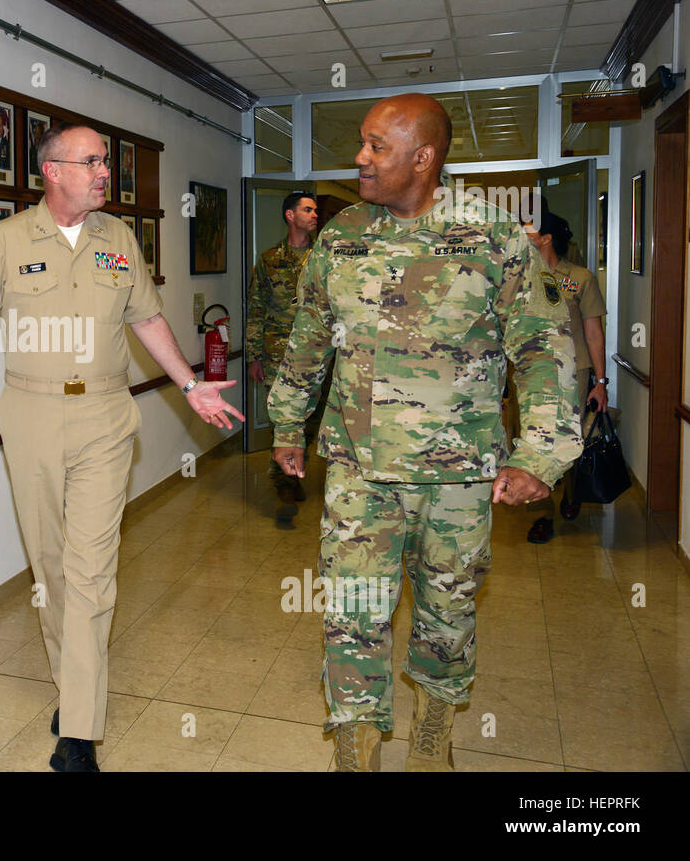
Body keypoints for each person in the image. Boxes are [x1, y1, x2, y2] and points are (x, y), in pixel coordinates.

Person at [0, 123, 243, 772]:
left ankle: (79, 733)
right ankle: (73, 683)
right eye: (91, 163)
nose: (104, 173)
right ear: (53, 171)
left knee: (90, 573)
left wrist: (191, 384)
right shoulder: (5, 241)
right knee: (50, 567)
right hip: (29, 413)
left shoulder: (119, 240)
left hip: (106, 415)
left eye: (104, 162)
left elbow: (147, 319)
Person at [268, 93, 581, 773]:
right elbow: (309, 335)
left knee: (448, 610)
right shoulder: (342, 235)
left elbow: (542, 348)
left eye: (377, 146)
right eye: (362, 142)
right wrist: (288, 421)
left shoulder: (495, 237)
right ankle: (356, 747)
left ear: (423, 157)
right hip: (358, 466)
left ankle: (433, 735)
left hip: (459, 474)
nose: (360, 158)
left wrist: (542, 456)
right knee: (353, 610)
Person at [522, 207, 608, 543]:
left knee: (569, 440)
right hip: (529, 374)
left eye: (528, 234)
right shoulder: (519, 277)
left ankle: (569, 492)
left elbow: (594, 332)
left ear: (546, 239)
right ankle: (541, 513)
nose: (521, 239)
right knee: (530, 444)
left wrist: (600, 382)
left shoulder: (581, 279)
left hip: (574, 373)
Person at [246, 191, 322, 519]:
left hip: (319, 355)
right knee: (283, 419)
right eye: (307, 209)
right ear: (290, 216)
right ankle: (284, 481)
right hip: (279, 353)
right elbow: (256, 308)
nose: (314, 214)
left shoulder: (325, 257)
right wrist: (253, 355)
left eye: (315, 210)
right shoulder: (268, 260)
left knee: (310, 419)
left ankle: (294, 469)